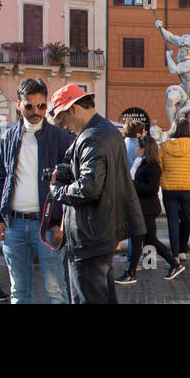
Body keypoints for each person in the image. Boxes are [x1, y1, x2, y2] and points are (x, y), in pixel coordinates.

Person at [46, 85, 145, 304]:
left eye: (62, 120)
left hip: (90, 234)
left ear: (73, 109)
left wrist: (57, 190)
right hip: (101, 231)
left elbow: (88, 187)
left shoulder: (92, 137)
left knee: (89, 297)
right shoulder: (107, 130)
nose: (64, 127)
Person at [0, 77, 74, 304]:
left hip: (48, 225)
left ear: (46, 105)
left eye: (41, 106)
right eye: (29, 106)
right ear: (19, 104)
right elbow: (0, 179)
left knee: (55, 289)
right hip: (13, 225)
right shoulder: (8, 137)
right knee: (19, 291)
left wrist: (62, 222)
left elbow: (70, 184)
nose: (36, 111)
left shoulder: (61, 138)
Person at [119, 134, 182, 283]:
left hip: (146, 209)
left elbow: (152, 188)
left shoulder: (152, 166)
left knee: (137, 240)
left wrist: (133, 184)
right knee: (151, 240)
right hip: (143, 208)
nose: (135, 148)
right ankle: (174, 264)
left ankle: (131, 273)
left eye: (138, 146)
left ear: (144, 149)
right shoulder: (141, 163)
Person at [159, 119, 190, 270]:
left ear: (173, 129)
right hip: (187, 189)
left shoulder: (163, 147)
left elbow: (159, 169)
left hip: (169, 189)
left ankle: (174, 259)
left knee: (172, 224)